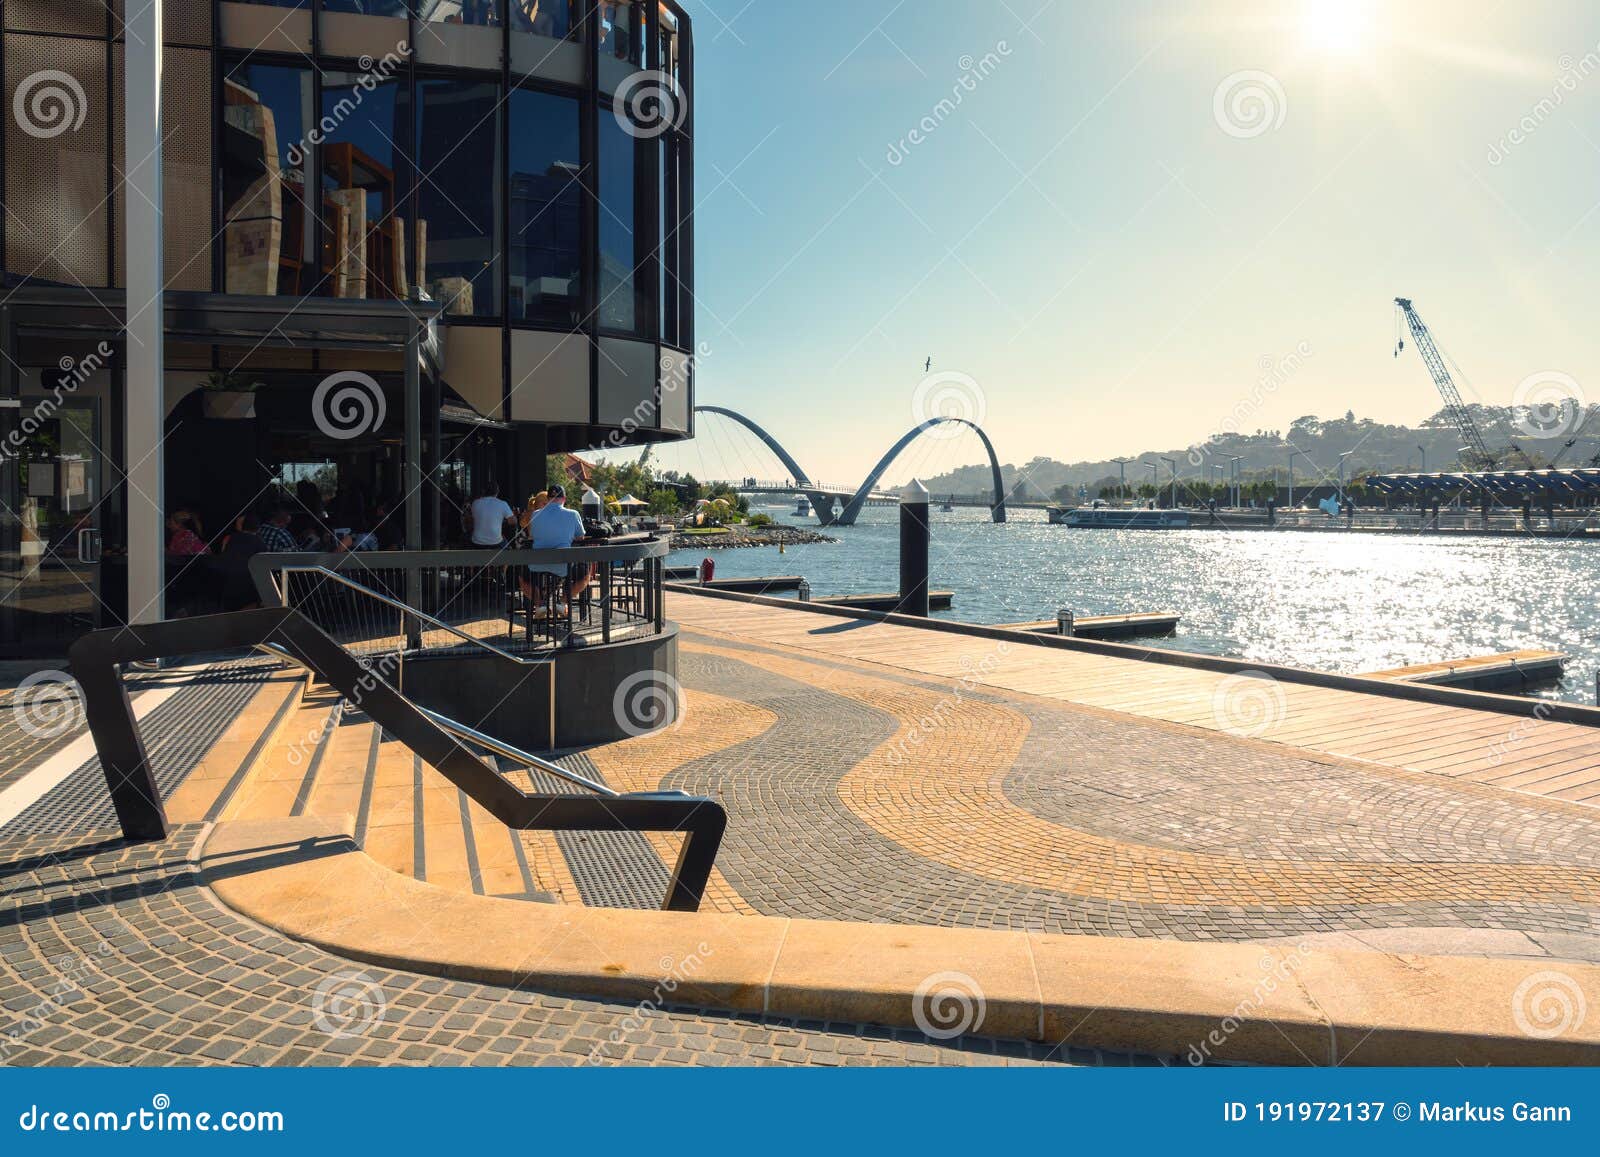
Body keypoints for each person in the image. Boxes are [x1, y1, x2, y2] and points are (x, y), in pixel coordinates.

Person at [523, 483, 589, 615]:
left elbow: (532, 536)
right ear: (564, 499)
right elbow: (580, 537)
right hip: (563, 565)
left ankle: (539, 604)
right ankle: (562, 603)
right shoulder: (573, 514)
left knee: (522, 577)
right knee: (585, 573)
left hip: (537, 565)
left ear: (548, 499)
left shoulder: (535, 514)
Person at [467, 481, 517, 548]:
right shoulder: (502, 504)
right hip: (496, 543)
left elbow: (471, 520)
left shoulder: (475, 503)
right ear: (497, 492)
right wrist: (502, 520)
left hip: (477, 542)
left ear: (483, 491)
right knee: (508, 545)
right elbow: (513, 521)